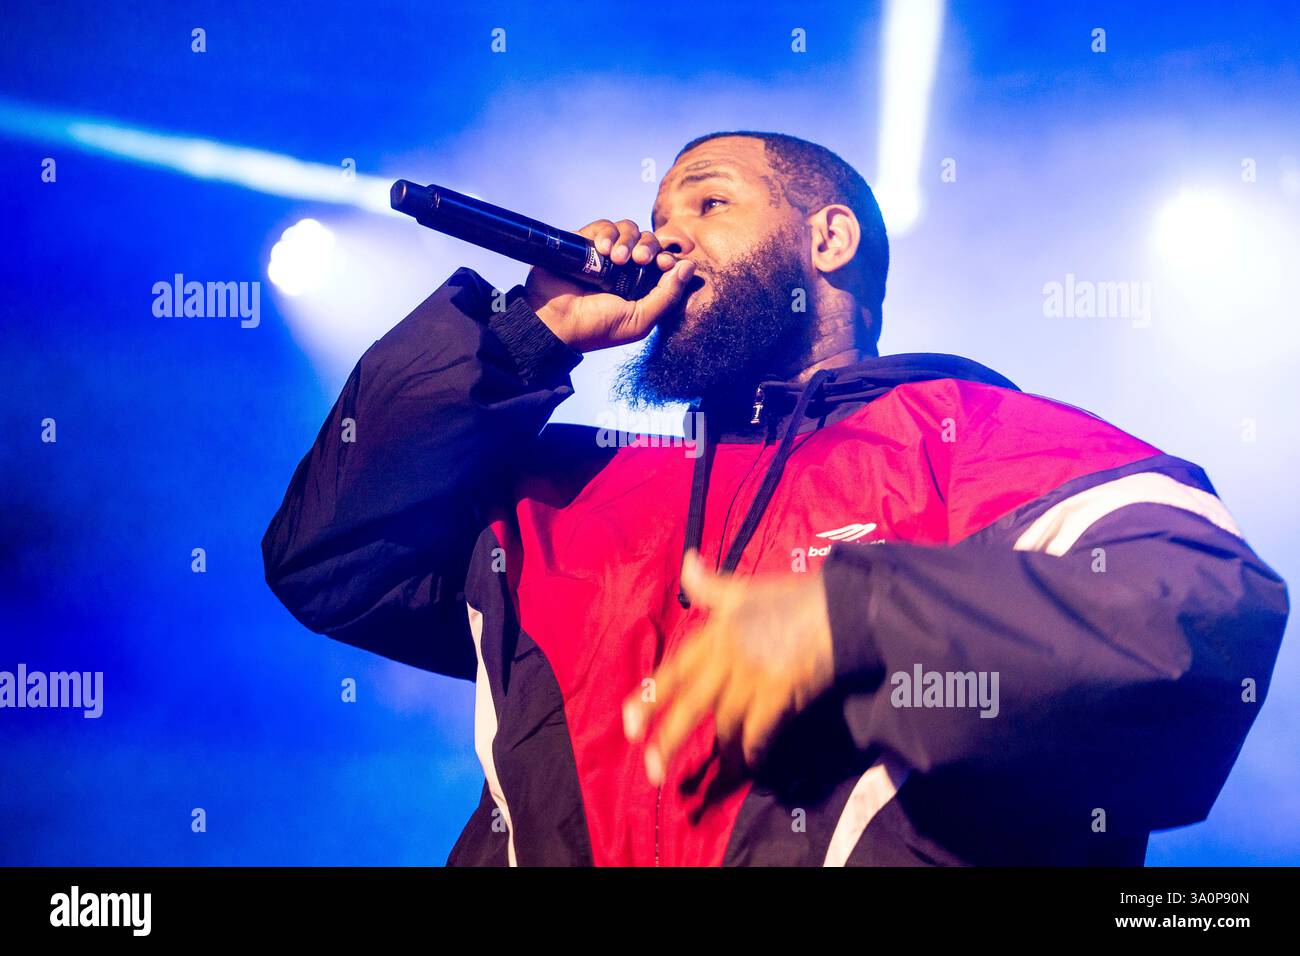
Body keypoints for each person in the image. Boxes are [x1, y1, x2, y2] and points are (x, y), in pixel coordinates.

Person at [262, 131, 1288, 866]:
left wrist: (866, 614)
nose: (665, 241)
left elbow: (1201, 625)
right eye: (659, 217)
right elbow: (331, 557)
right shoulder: (579, 490)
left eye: (706, 204)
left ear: (828, 239)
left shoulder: (992, 444)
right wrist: (532, 331)